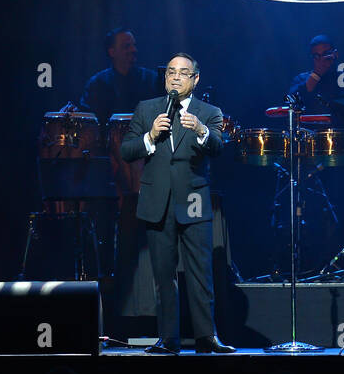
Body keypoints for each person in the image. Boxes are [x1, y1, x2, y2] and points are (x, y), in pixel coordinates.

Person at [120, 53, 233, 353]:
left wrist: (200, 130)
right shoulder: (147, 109)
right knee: (163, 274)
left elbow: (219, 147)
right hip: (157, 201)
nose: (175, 77)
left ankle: (206, 337)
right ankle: (168, 338)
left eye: (183, 72)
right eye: (171, 72)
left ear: (195, 79)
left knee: (200, 273)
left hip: (194, 201)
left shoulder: (209, 112)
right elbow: (127, 150)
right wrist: (150, 136)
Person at [66, 27, 163, 125]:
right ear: (112, 52)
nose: (133, 49)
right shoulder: (97, 84)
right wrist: (74, 113)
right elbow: (87, 117)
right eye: (126, 46)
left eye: (134, 45)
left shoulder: (151, 79)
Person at [286, 34, 344, 116]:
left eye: (326, 54)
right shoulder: (302, 79)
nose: (322, 59)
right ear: (312, 58)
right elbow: (291, 101)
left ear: (336, 54)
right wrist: (317, 74)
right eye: (317, 56)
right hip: (311, 128)